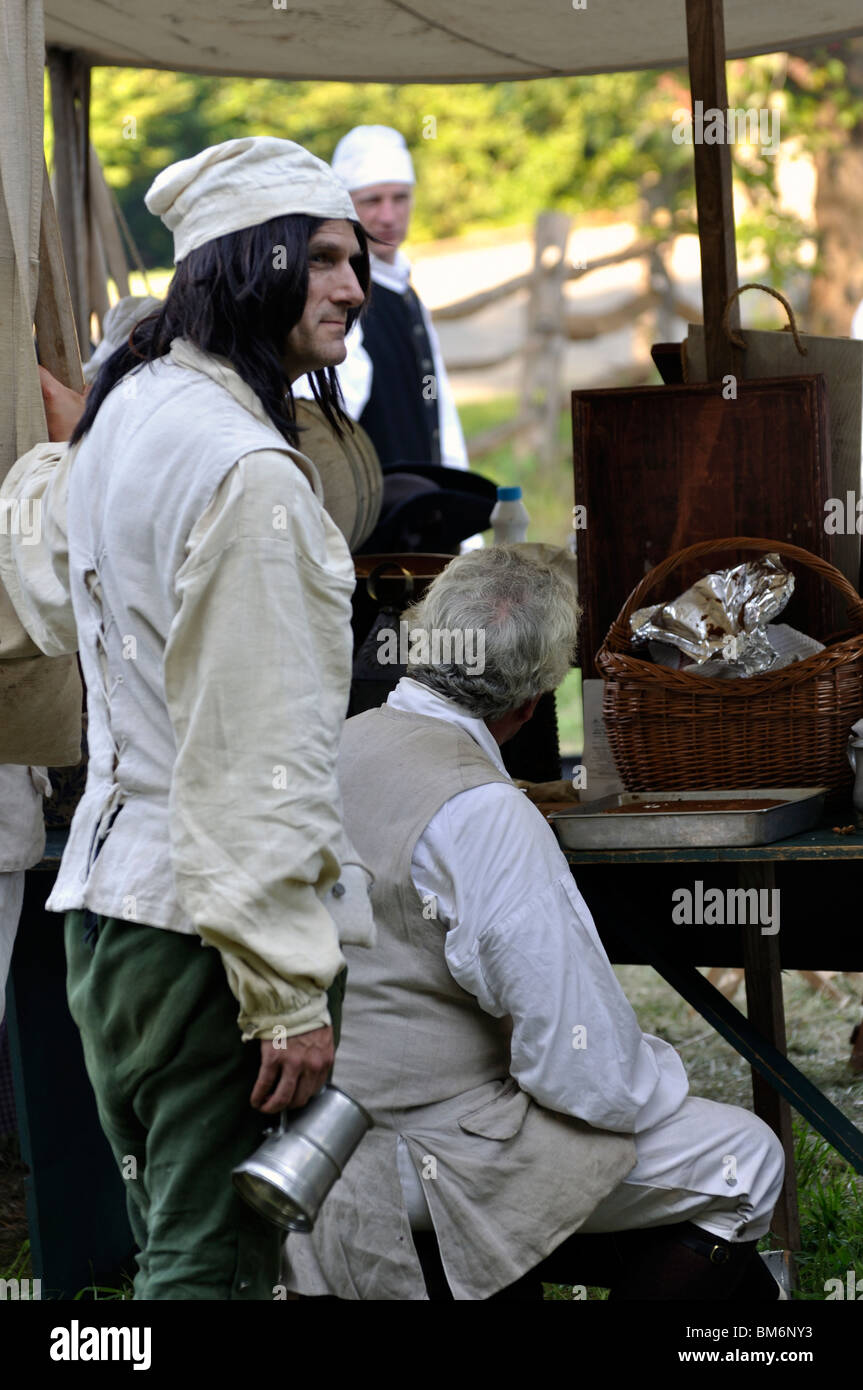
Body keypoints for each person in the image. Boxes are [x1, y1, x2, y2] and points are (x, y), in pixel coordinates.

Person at [0, 136, 376, 1300]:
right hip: (198, 942)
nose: (351, 287)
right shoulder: (248, 476)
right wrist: (284, 992)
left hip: (108, 928)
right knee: (205, 1274)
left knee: (172, 1249)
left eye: (352, 260)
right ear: (245, 264)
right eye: (318, 258)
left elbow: (39, 579)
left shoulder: (134, 411)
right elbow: (254, 764)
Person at [283, 546, 786, 1301]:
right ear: (532, 702)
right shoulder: (481, 809)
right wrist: (657, 1075)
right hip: (410, 1158)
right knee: (743, 1156)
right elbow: (582, 1073)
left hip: (299, 1138)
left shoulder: (321, 754)